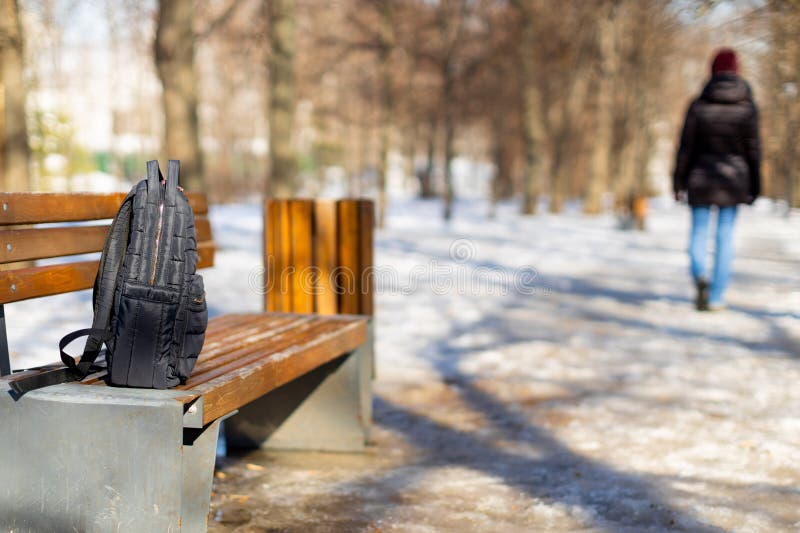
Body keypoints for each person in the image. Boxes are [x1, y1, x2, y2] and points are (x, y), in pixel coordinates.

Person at [673, 48, 761, 311]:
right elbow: (754, 150)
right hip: (734, 180)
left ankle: (700, 274)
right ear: (737, 70)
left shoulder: (699, 105)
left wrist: (678, 181)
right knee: (725, 236)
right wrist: (755, 185)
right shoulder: (747, 106)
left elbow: (685, 147)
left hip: (700, 178)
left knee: (699, 232)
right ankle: (716, 296)